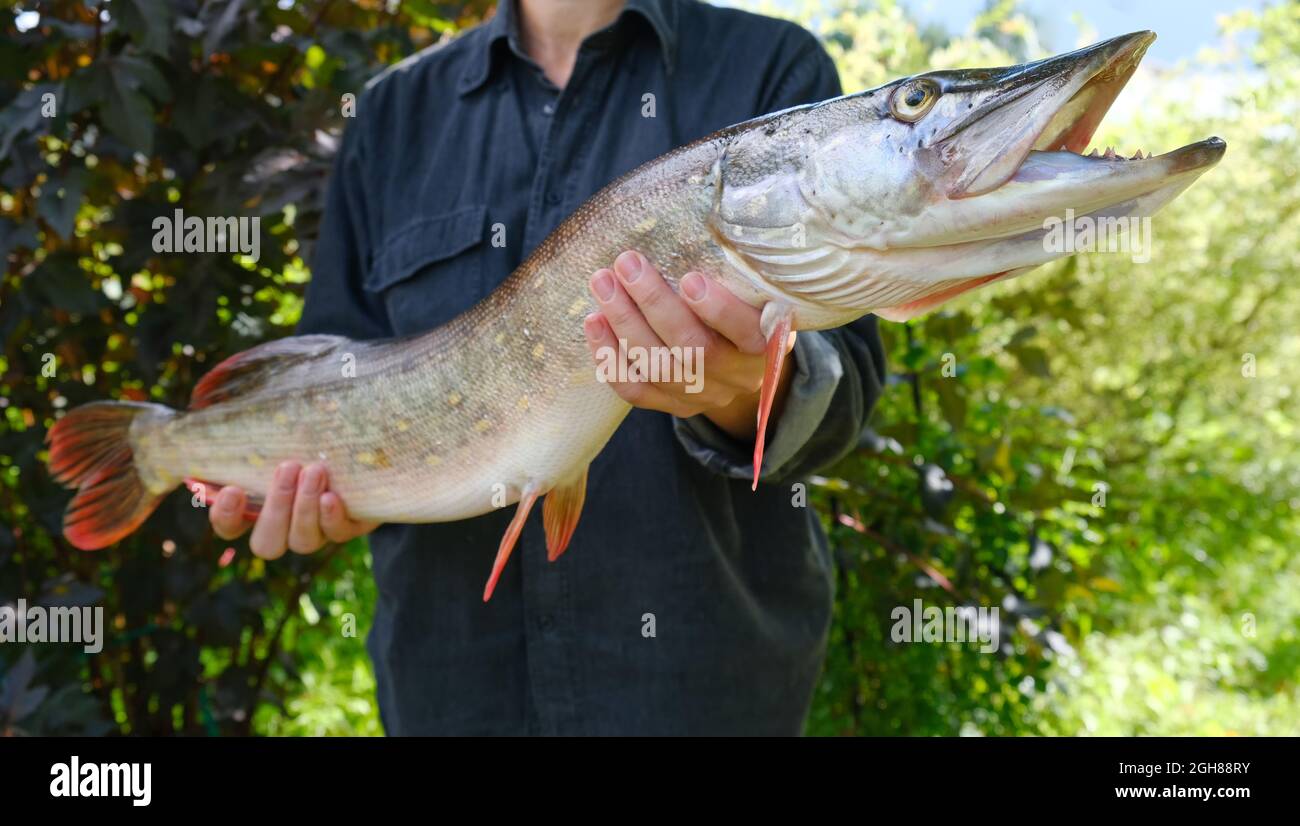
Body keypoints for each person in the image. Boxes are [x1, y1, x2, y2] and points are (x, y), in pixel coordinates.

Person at [208, 0, 886, 735]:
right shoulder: (391, 113)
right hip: (447, 697)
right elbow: (330, 374)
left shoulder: (772, 66)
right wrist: (306, 492)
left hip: (699, 698)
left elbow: (844, 393)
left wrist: (749, 389)